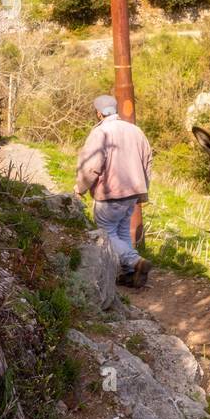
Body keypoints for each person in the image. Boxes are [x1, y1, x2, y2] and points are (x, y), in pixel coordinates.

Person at [75, 95, 153, 288]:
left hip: (110, 192)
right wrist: (143, 188)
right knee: (123, 231)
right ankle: (129, 274)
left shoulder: (100, 133)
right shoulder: (135, 130)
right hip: (133, 192)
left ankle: (135, 262)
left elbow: (92, 165)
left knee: (107, 233)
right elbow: (148, 161)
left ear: (99, 113)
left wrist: (80, 188)